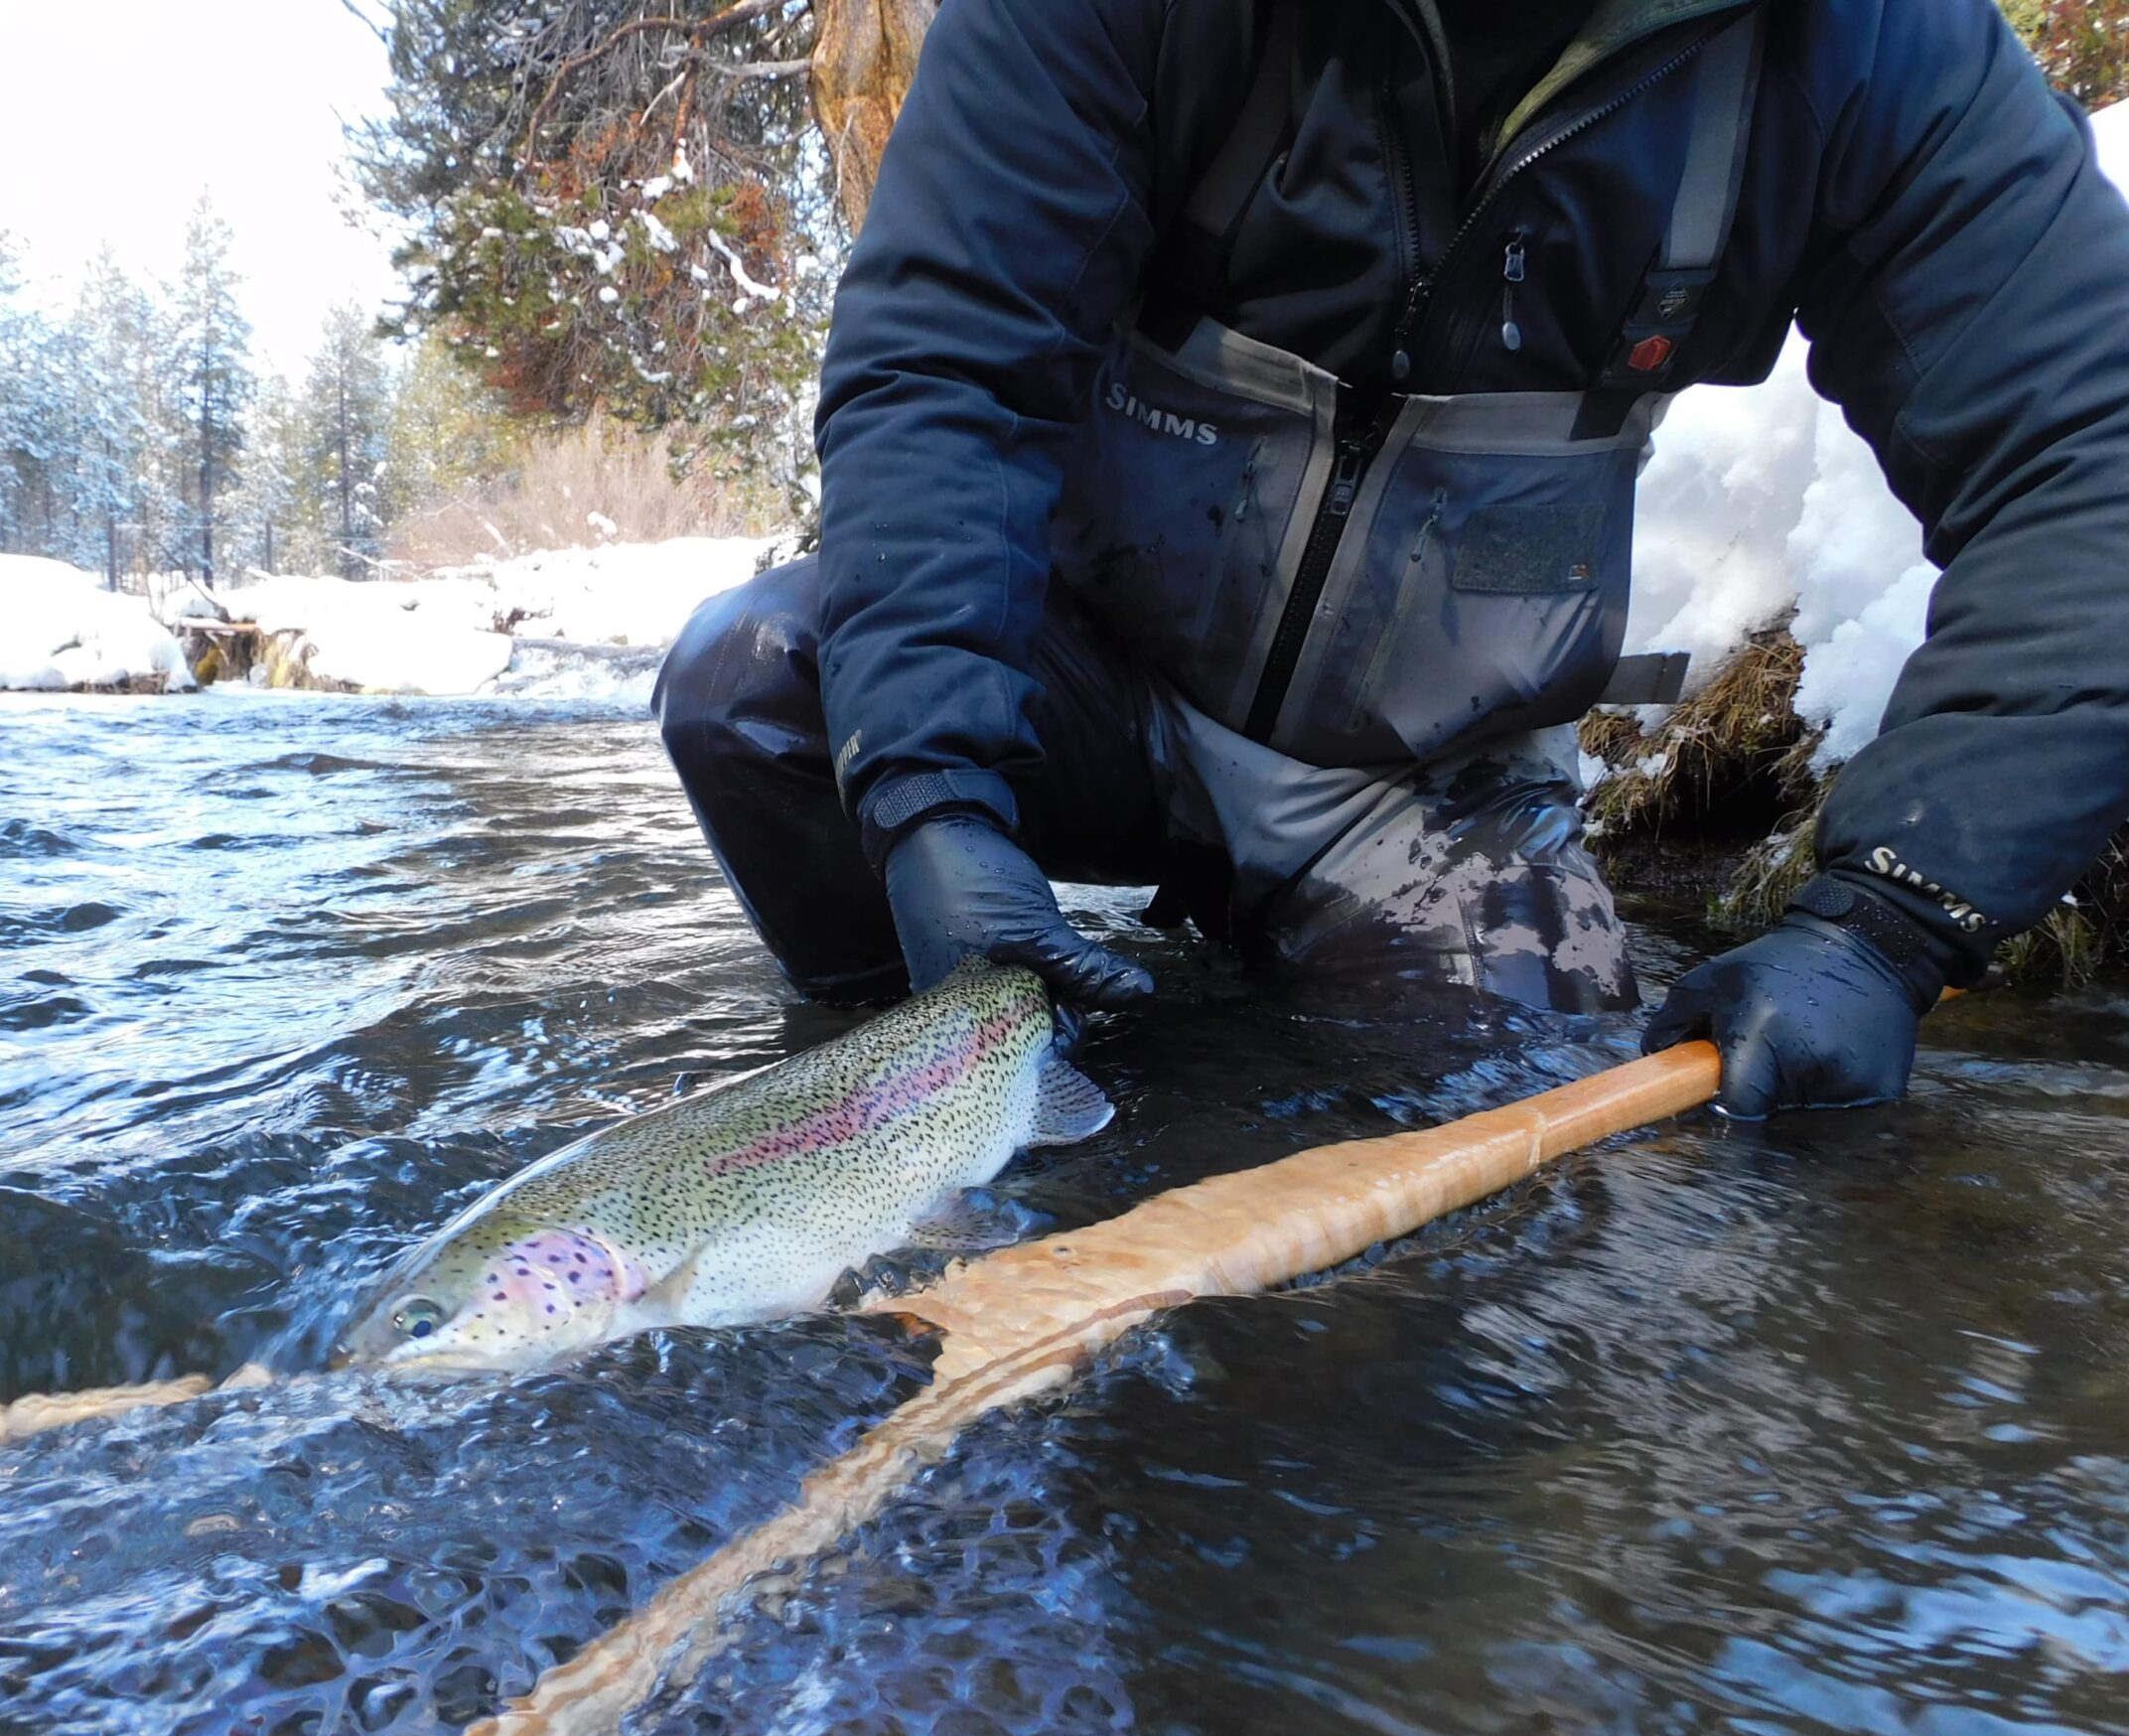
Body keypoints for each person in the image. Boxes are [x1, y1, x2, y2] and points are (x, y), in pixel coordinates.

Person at [657, 0, 2129, 1116]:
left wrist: (1890, 916)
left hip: (1427, 785)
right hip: (1091, 687)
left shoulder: (1869, 51)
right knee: (759, 696)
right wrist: (928, 808)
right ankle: (903, 1131)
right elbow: (949, 369)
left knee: (1516, 1160)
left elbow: (2095, 454)